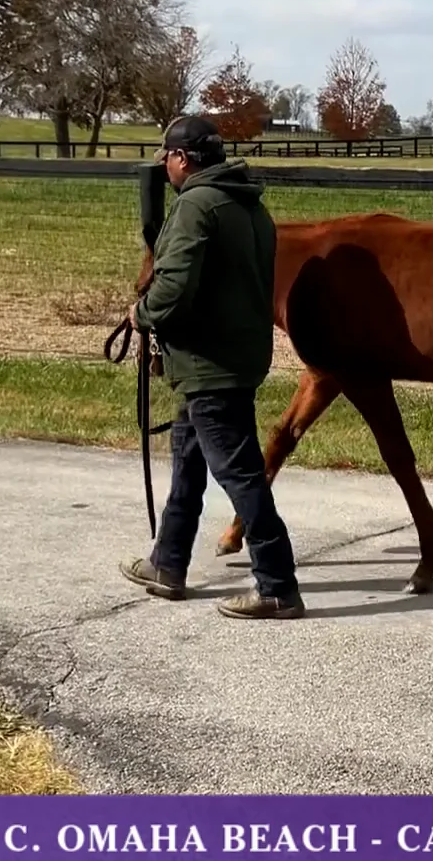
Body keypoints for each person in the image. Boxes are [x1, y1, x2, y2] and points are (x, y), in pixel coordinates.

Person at [121, 115, 305, 620]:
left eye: (168, 160)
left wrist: (141, 313)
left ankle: (278, 585)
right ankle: (168, 562)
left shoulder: (195, 206)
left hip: (209, 363)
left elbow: (174, 283)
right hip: (239, 355)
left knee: (240, 473)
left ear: (182, 159)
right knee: (189, 458)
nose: (166, 168)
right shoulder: (252, 209)